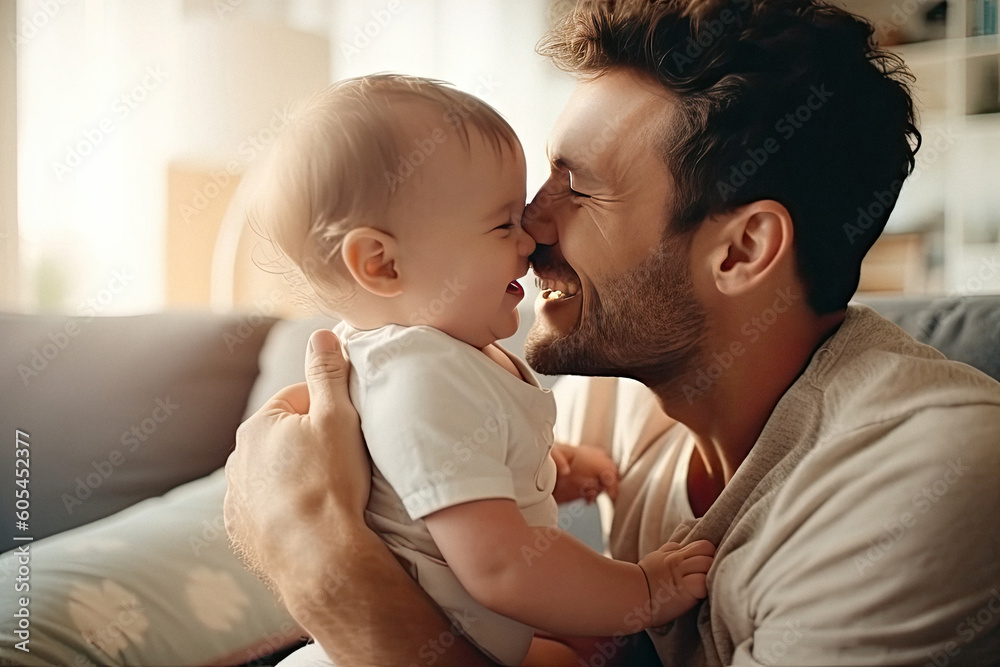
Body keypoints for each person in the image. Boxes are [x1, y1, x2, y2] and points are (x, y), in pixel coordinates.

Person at [225, 0, 1000, 665]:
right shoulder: (629, 399)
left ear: (741, 251)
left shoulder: (925, 475)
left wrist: (323, 567)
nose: (531, 222)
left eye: (578, 188)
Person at [237, 74, 714, 666]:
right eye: (502, 223)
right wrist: (641, 590)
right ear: (382, 264)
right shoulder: (421, 374)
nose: (531, 239)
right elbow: (500, 564)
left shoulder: (435, 358)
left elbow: (434, 481)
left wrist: (542, 468)